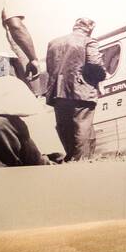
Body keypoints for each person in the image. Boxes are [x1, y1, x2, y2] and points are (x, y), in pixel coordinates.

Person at [45, 18, 107, 161]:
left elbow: (50, 68)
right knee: (82, 125)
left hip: (57, 92)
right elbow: (95, 64)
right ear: (90, 28)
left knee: (64, 126)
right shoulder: (88, 41)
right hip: (81, 91)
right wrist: (99, 83)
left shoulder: (53, 43)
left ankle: (71, 158)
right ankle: (82, 161)